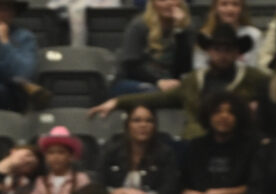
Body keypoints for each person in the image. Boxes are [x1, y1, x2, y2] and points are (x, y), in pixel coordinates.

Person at [93, 25, 267, 143]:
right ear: (208, 51)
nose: (222, 55)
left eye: (228, 50)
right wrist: (118, 102)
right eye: (217, 49)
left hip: (238, 144)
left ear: (237, 53)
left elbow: (275, 98)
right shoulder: (193, 81)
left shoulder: (253, 78)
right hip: (194, 145)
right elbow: (159, 98)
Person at [153, 90, 255, 194]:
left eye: (230, 113)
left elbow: (255, 186)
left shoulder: (250, 146)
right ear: (208, 116)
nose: (224, 116)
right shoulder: (196, 146)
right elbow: (181, 180)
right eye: (218, 112)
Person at [97, 105, 178, 194]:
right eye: (137, 120)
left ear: (155, 126)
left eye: (149, 121)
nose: (143, 125)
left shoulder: (165, 153)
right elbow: (98, 181)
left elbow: (170, 188)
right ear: (127, 125)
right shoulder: (111, 151)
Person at [113, 0, 194, 96]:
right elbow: (130, 65)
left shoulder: (186, 28)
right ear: (153, 3)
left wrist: (179, 31)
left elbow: (183, 70)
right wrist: (158, 81)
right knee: (153, 92)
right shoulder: (139, 25)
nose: (169, 3)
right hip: (131, 81)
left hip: (169, 81)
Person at [23, 126, 89, 194]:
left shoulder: (80, 178)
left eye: (61, 152)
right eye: (51, 153)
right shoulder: (41, 180)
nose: (55, 157)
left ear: (70, 156)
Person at [198, 0, 262, 68]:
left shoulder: (253, 34)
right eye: (224, 4)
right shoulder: (206, 35)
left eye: (235, 4)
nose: (230, 9)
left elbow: (255, 65)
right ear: (215, 9)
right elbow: (199, 67)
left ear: (241, 9)